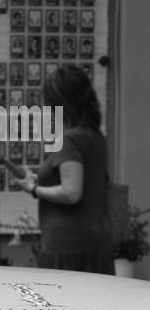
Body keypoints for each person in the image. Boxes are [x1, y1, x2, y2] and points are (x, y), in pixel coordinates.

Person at [14, 64, 114, 275]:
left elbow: (71, 192)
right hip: (96, 245)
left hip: (66, 248)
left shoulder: (69, 140)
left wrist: (34, 189)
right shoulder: (95, 137)